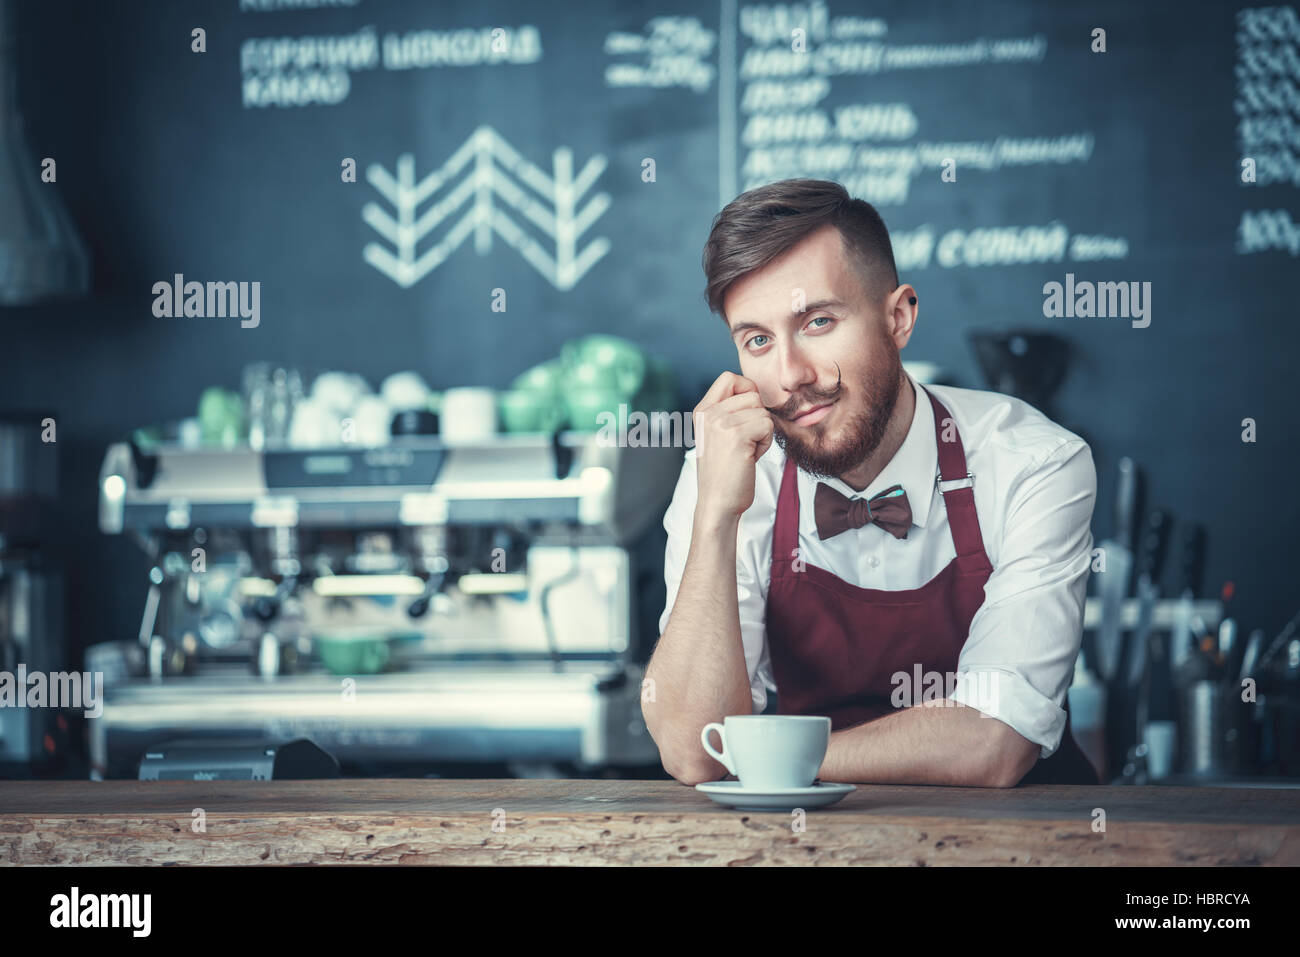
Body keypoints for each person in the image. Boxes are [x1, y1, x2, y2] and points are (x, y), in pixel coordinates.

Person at [642, 179, 1099, 787]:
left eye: (818, 321)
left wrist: (770, 762)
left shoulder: (1034, 463)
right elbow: (694, 750)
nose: (790, 377)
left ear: (898, 317)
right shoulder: (725, 472)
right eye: (757, 340)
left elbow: (995, 740)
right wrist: (715, 514)